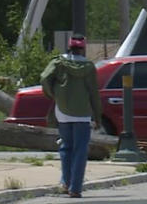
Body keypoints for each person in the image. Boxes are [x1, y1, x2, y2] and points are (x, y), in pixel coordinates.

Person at [40, 34, 102, 199]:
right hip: (82, 114)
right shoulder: (89, 67)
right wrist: (98, 116)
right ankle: (75, 188)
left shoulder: (59, 63)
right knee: (80, 150)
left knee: (66, 147)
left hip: (63, 111)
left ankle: (65, 183)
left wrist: (53, 94)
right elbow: (94, 94)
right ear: (83, 48)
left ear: (69, 46)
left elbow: (44, 77)